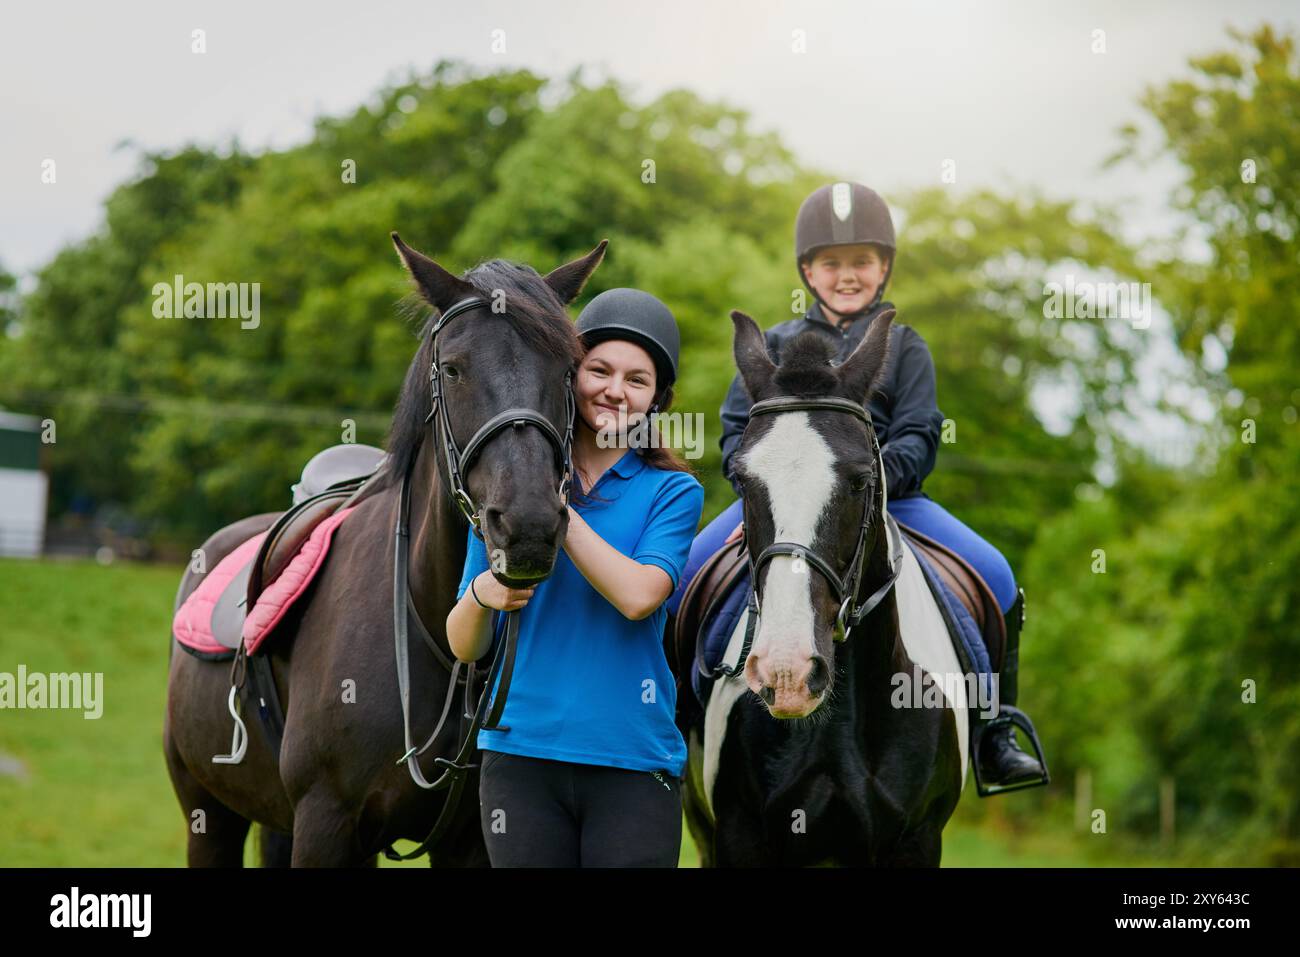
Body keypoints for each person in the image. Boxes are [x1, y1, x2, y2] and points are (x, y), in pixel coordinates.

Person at [668, 181, 1045, 790]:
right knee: (683, 573)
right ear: (808, 272)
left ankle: (994, 732)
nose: (848, 275)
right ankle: (675, 721)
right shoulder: (773, 347)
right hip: (782, 508)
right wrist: (772, 494)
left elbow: (920, 434)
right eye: (832, 263)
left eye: (862, 262)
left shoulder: (905, 347)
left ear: (885, 268)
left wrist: (869, 490)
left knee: (996, 572)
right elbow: (737, 434)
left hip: (893, 502)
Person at [447, 288, 706, 866]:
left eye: (637, 380)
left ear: (657, 399)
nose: (616, 390)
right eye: (600, 370)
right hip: (519, 759)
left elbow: (639, 597)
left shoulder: (673, 492)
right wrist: (484, 595)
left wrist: (556, 511)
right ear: (569, 374)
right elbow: (465, 645)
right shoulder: (504, 491)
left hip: (633, 763)